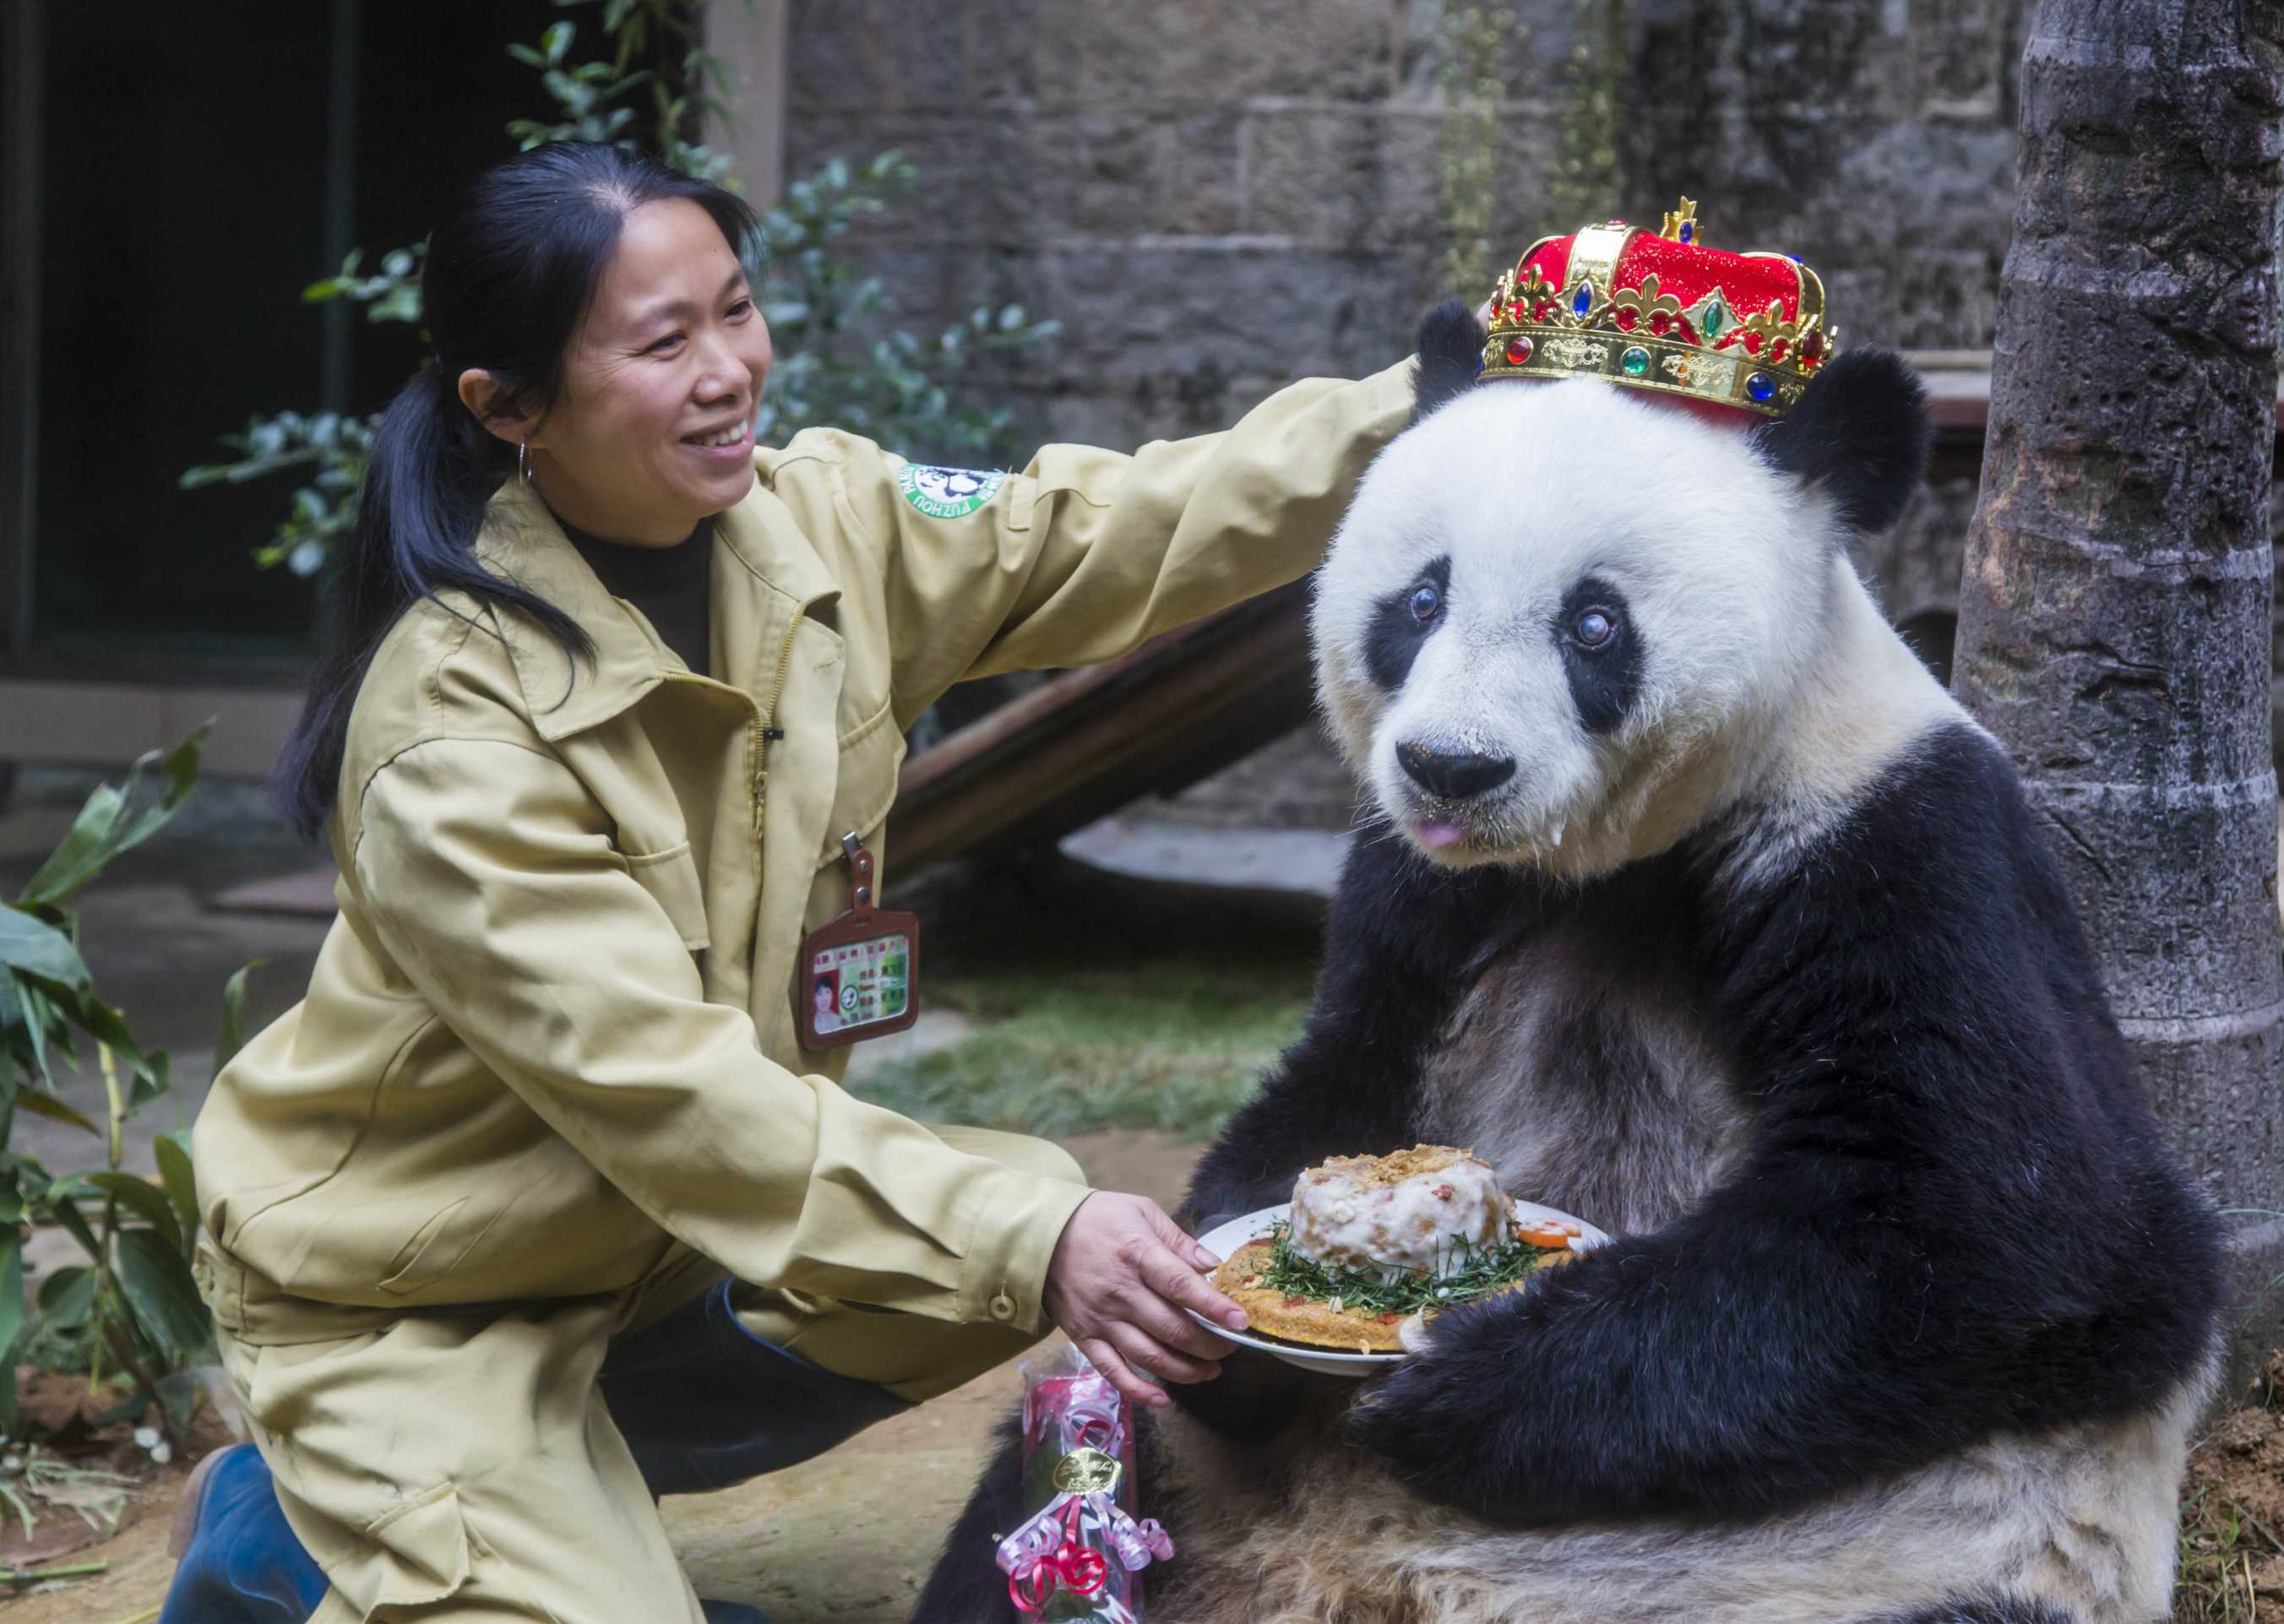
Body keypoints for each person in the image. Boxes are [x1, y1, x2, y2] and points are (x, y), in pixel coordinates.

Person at [164, 142, 1417, 1624]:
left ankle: (480, 1501)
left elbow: (1128, 526)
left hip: (655, 1252)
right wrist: (1035, 1244)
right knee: (1019, 1230)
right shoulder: (455, 738)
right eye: (662, 343)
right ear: (507, 407)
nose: (728, 372)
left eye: (736, 309)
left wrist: (1445, 404)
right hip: (414, 1303)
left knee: (1021, 1207)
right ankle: (313, 1512)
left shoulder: (822, 522)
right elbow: (678, 1098)